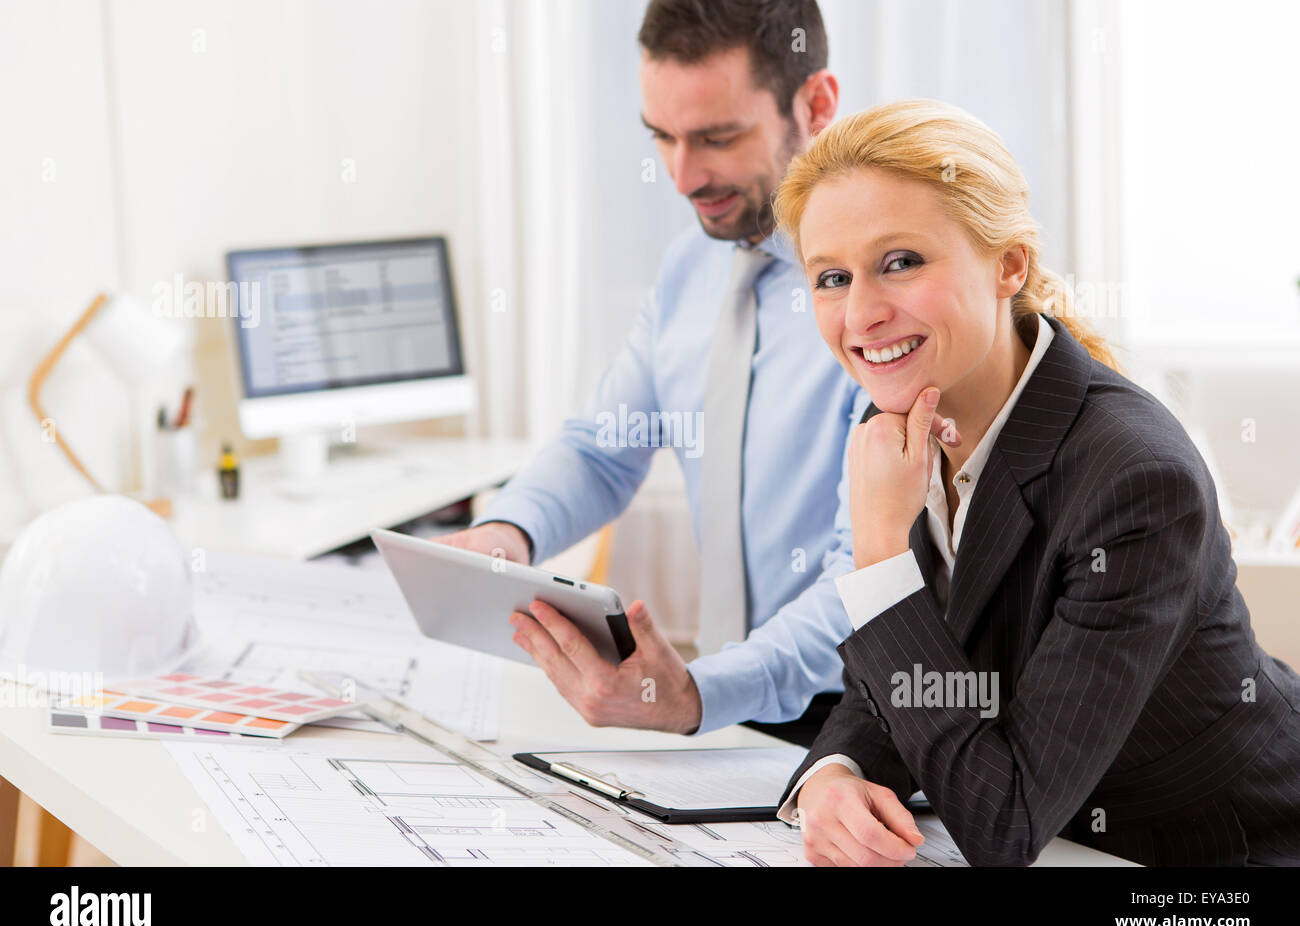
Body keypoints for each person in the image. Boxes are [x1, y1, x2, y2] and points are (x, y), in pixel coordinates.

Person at [771, 99, 1300, 867]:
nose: (861, 314)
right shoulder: (902, 425)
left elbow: (1005, 819)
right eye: (831, 277)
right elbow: (903, 680)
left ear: (1009, 264)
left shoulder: (1139, 481)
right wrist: (833, 774)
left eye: (901, 262)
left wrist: (881, 554)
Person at [440, 0, 866, 742]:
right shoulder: (690, 269)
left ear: (817, 104)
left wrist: (703, 694)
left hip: (857, 721)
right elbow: (604, 448)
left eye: (717, 137)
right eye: (662, 137)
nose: (682, 175)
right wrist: (509, 534)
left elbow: (867, 571)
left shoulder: (877, 294)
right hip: (731, 712)